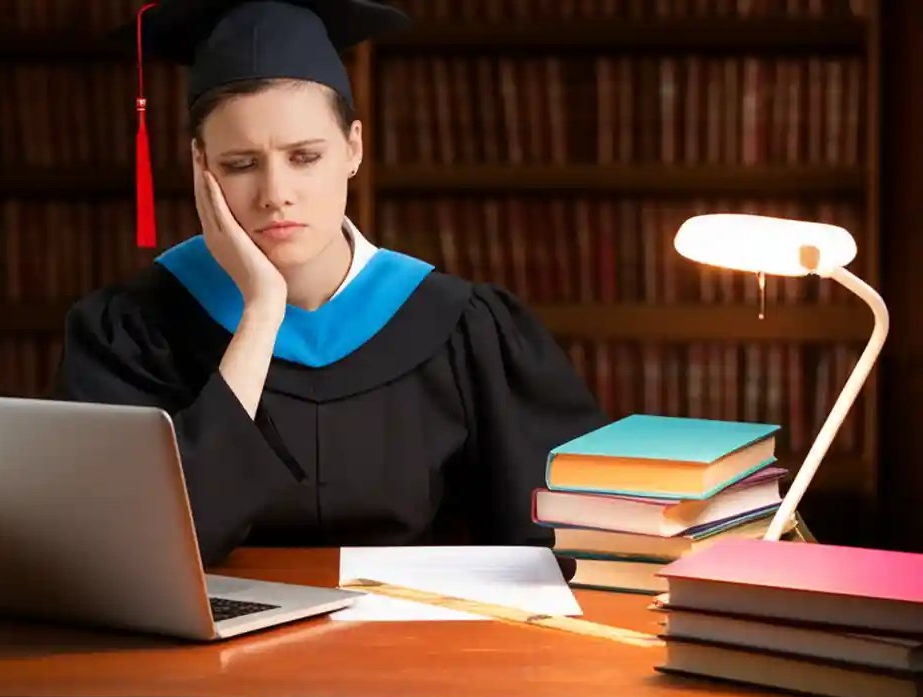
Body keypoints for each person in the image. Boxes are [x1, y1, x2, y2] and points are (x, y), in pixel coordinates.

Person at [51, 0, 608, 566]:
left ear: (353, 148)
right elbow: (140, 555)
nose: (275, 193)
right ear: (202, 167)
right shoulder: (133, 331)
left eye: (304, 157)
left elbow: (568, 548)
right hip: (203, 650)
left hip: (417, 646)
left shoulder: (460, 325)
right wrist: (261, 313)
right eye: (241, 164)